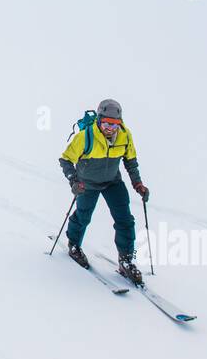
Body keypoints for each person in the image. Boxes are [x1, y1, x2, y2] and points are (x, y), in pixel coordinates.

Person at [58, 98, 150, 284]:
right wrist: (74, 181)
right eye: (106, 123)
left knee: (125, 219)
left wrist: (138, 183)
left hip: (112, 182)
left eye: (115, 124)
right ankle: (74, 244)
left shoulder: (124, 135)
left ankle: (126, 260)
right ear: (99, 120)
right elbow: (66, 160)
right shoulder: (86, 137)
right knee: (83, 216)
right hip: (87, 183)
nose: (110, 128)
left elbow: (130, 160)